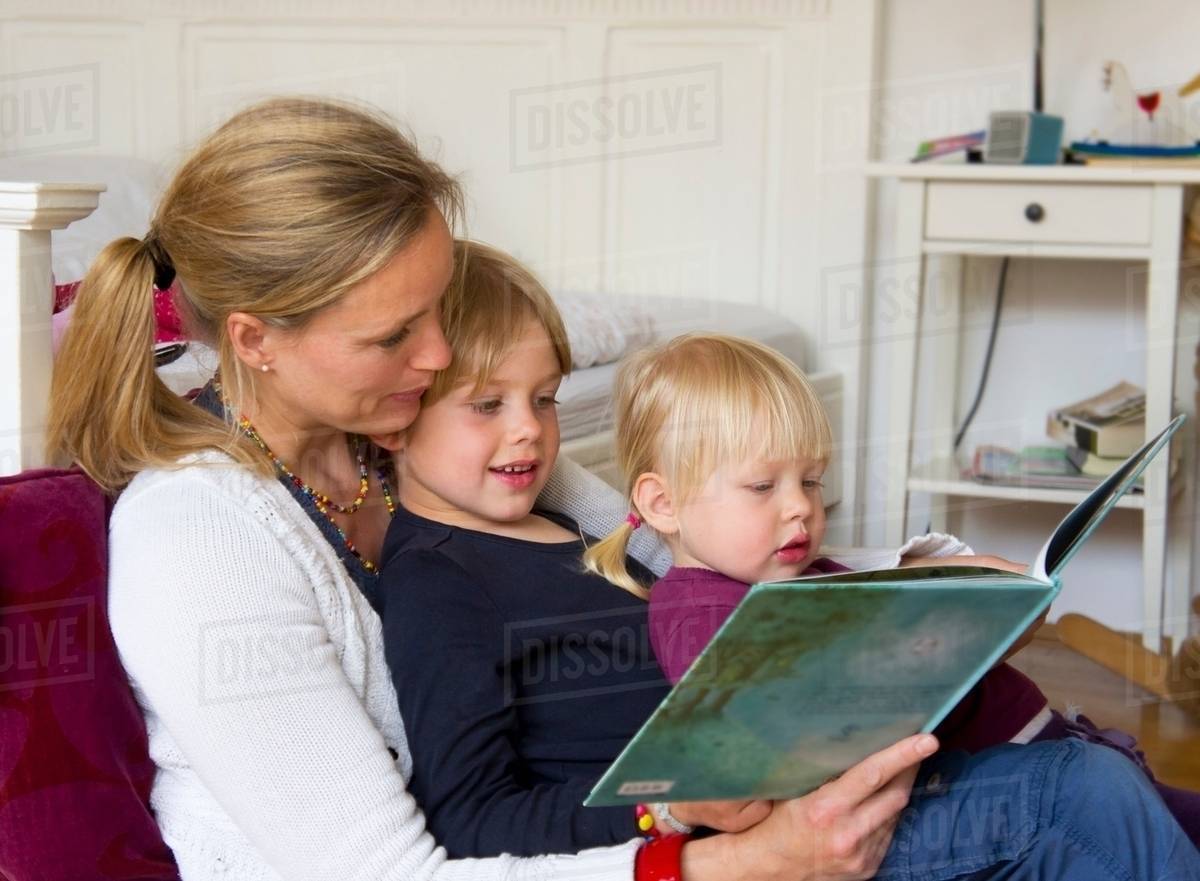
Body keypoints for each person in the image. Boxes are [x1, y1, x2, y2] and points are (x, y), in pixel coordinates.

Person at [43, 96, 1200, 881]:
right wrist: (724, 856)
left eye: (443, 312)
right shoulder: (201, 534)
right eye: (399, 333)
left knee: (1092, 792)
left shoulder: (400, 444)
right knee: (1079, 808)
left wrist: (916, 604)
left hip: (670, 822)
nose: (445, 360)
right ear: (255, 339)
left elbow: (676, 548)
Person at [582, 331, 1200, 848]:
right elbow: (787, 726)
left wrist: (984, 597)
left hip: (1034, 744)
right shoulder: (698, 609)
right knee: (1133, 824)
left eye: (812, 481)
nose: (800, 507)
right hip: (982, 780)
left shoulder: (802, 572)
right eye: (763, 487)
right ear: (663, 503)